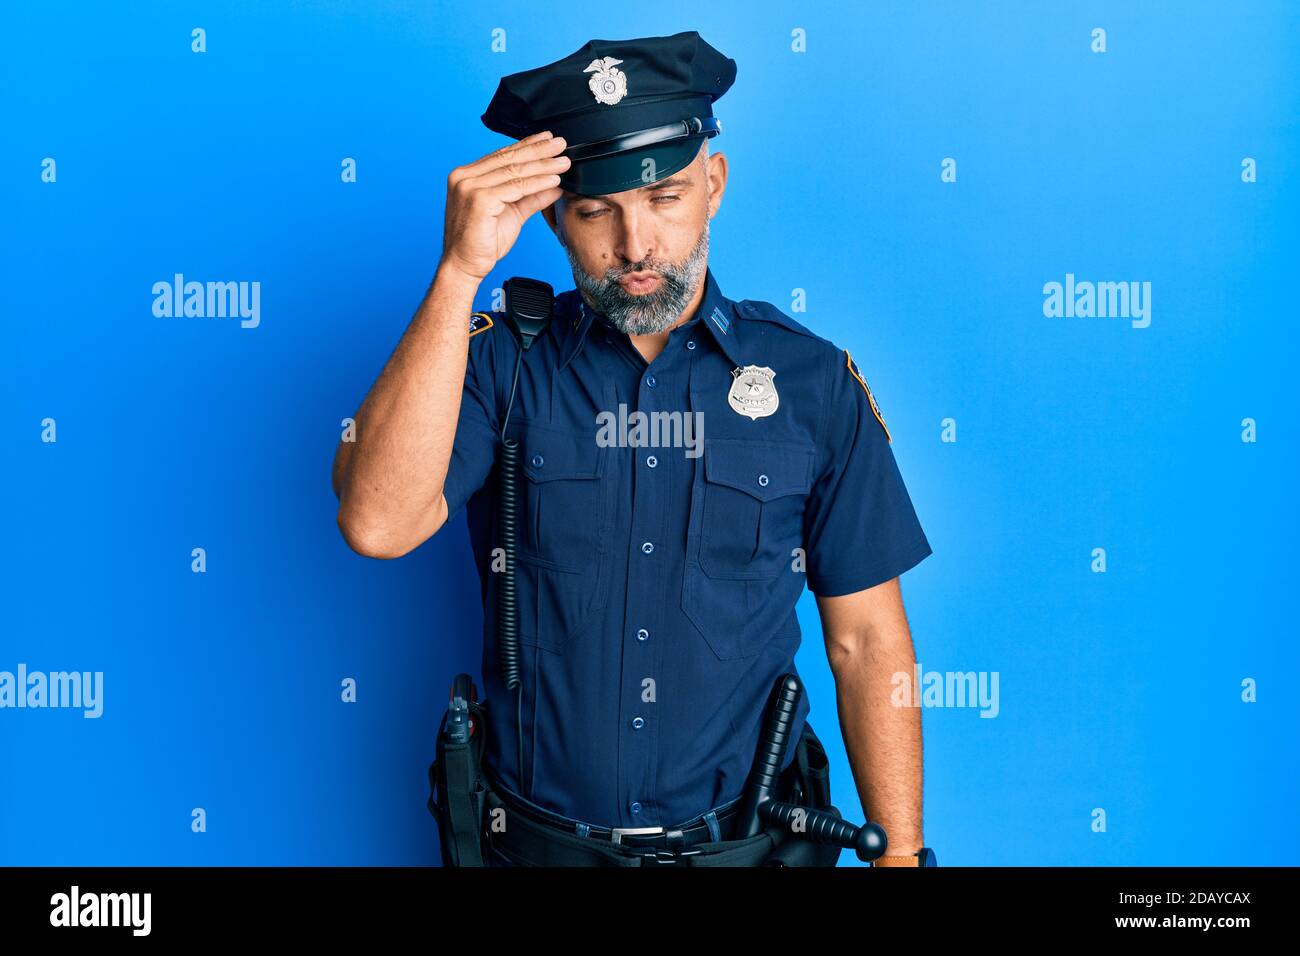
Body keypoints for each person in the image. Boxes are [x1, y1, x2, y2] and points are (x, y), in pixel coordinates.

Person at [332, 31, 934, 867]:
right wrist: (458, 274)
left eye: (665, 199)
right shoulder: (498, 363)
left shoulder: (811, 382)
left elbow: (867, 639)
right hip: (534, 850)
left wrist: (901, 856)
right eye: (595, 211)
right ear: (551, 217)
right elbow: (377, 523)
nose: (637, 245)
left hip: (743, 850)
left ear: (713, 185)